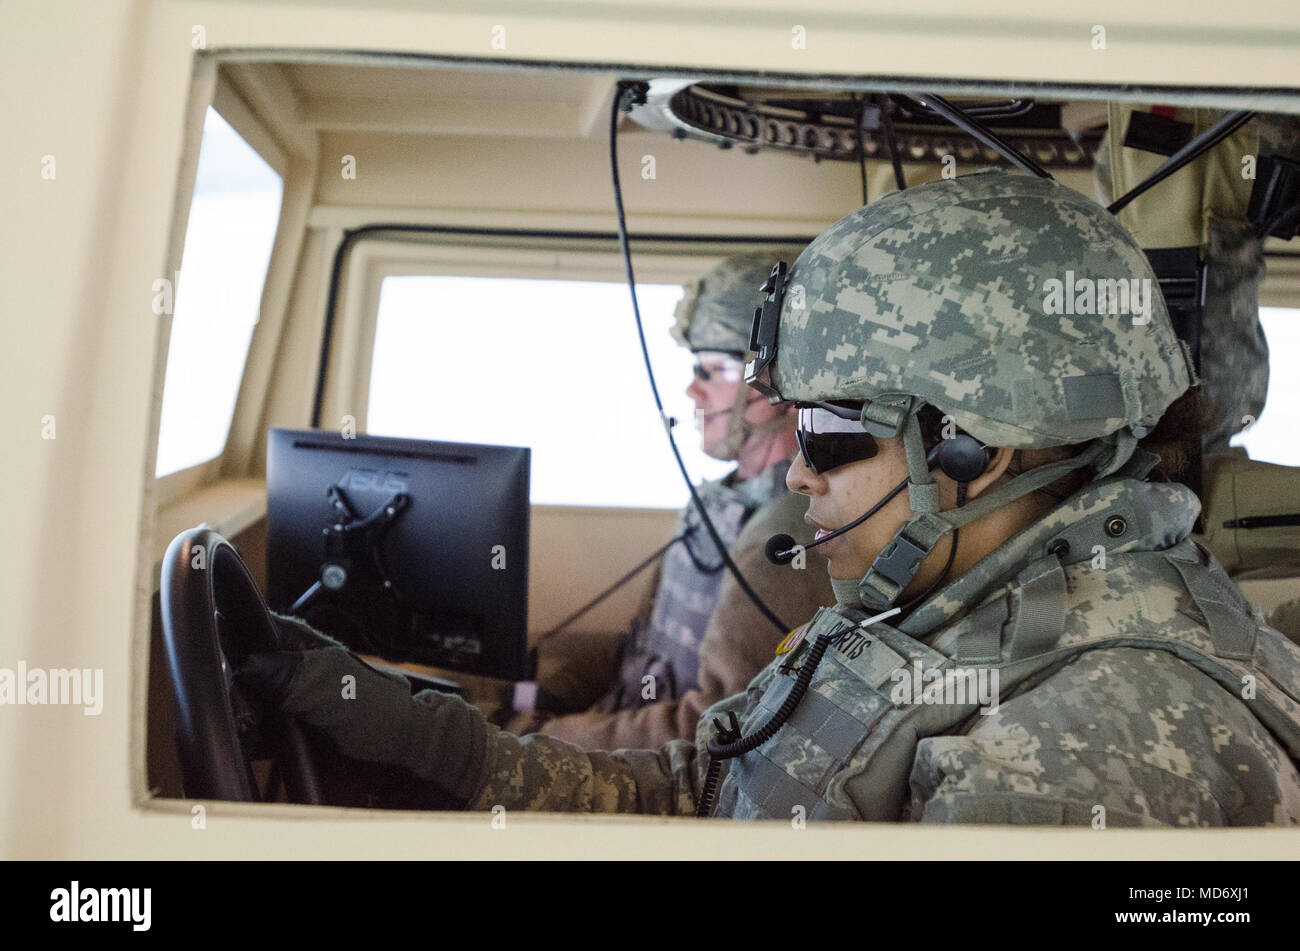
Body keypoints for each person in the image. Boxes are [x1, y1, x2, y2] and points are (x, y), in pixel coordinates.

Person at [241, 170, 1300, 824]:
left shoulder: (1081, 748)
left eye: (832, 434)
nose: (796, 475)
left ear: (984, 444)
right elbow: (693, 789)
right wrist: (424, 741)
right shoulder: (924, 605)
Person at [496, 253, 833, 750]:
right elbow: (644, 653)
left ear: (780, 384)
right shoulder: (715, 500)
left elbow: (721, 726)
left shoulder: (785, 532)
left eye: (713, 369)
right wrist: (545, 695)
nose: (691, 391)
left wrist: (548, 738)